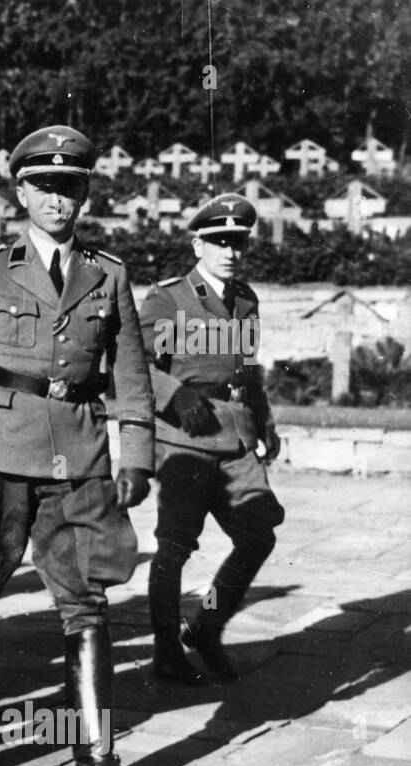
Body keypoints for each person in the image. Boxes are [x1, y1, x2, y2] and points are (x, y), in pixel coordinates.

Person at [0, 124, 159, 766]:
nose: (59, 200)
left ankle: (95, 755)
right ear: (22, 191)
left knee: (86, 597)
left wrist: (137, 452)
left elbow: (131, 373)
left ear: (85, 194)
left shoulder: (108, 275)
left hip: (80, 452)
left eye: (71, 187)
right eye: (46, 186)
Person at [140, 193, 284, 685]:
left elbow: (248, 368)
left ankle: (207, 624)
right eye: (219, 241)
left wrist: (263, 421)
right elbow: (132, 364)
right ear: (197, 243)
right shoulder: (170, 297)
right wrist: (172, 393)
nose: (229, 251)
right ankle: (165, 649)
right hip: (185, 438)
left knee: (257, 535)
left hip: (236, 436)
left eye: (238, 242)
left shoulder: (245, 298)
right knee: (175, 546)